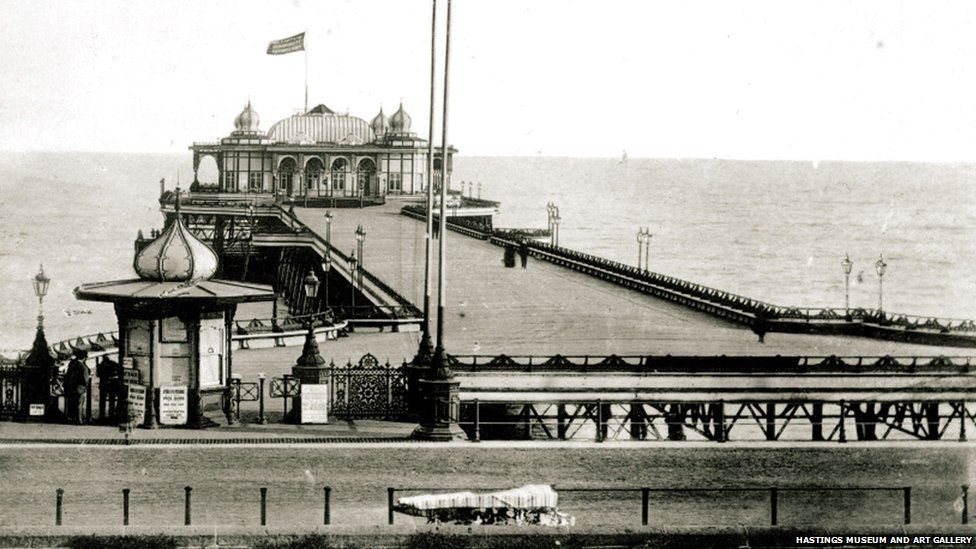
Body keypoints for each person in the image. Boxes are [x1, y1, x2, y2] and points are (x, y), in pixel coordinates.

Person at [65, 350, 90, 425]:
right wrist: (86, 386)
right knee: (80, 403)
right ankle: (79, 420)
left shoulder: (72, 364)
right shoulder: (82, 366)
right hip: (80, 386)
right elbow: (86, 378)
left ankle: (72, 418)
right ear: (84, 358)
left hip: (71, 386)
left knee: (73, 402)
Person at [96, 356, 121, 422]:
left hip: (103, 384)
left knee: (102, 401)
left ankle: (102, 415)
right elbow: (119, 371)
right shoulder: (113, 364)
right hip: (112, 385)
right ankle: (111, 415)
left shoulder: (101, 365)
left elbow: (98, 374)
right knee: (112, 400)